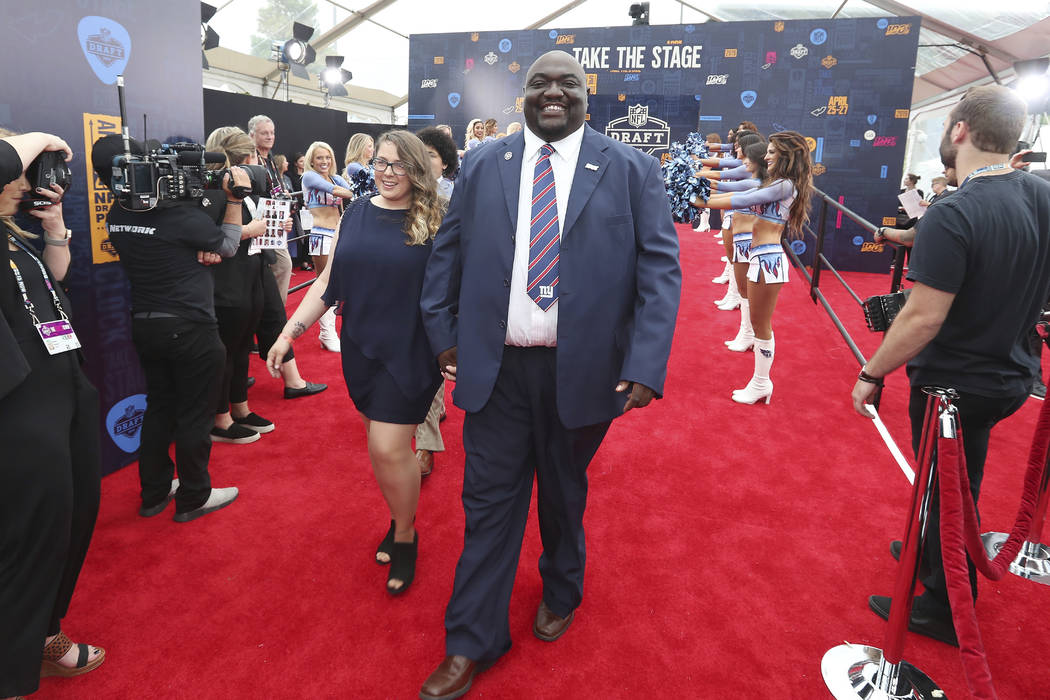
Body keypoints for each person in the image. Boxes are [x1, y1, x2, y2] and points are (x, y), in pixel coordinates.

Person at [418, 50, 681, 699]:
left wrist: (646, 362)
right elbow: (444, 262)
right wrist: (445, 338)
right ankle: (470, 639)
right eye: (540, 82)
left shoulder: (632, 170)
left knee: (564, 491)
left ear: (588, 95)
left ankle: (562, 587)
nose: (553, 92)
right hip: (497, 372)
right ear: (523, 95)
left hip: (586, 373)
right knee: (488, 504)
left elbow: (660, 272)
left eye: (568, 83)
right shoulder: (482, 166)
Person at [851, 85, 1050, 647]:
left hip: (953, 386)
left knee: (945, 489)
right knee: (955, 485)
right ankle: (928, 549)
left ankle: (942, 604)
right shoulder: (1040, 194)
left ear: (958, 130)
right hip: (1013, 374)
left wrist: (871, 372)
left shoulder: (956, 208)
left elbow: (921, 318)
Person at [267, 130, 445, 596]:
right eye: (381, 164)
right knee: (377, 445)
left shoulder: (437, 219)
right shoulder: (358, 213)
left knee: (389, 448)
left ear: (418, 169)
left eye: (399, 165)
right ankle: (399, 517)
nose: (388, 173)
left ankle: (405, 535)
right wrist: (290, 332)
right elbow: (329, 282)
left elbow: (458, 290)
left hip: (411, 352)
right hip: (361, 348)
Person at [1, 130, 105, 699]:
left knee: (73, 515)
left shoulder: (14, 233)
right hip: (18, 403)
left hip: (64, 384)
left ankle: (44, 632)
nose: (25, 180)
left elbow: (57, 278)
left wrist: (55, 229)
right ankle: (10, 670)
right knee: (27, 532)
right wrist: (42, 139)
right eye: (20, 169)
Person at [91, 133, 241, 522]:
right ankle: (194, 495)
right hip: (191, 327)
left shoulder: (117, 215)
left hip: (145, 325)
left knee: (159, 408)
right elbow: (226, 246)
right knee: (194, 414)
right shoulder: (180, 217)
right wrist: (235, 201)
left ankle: (155, 492)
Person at [696, 131, 813, 404]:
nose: (767, 156)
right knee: (757, 321)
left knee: (761, 324)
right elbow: (737, 191)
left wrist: (702, 202)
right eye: (768, 151)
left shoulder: (785, 185)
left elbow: (743, 200)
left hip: (768, 259)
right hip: (760, 256)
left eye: (772, 152)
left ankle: (761, 383)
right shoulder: (775, 182)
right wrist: (703, 189)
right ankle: (760, 381)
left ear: (786, 155)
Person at [203, 128, 276, 443]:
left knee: (243, 347)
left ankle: (240, 409)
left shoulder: (246, 189)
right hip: (225, 283)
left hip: (250, 275)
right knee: (227, 351)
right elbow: (210, 238)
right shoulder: (215, 191)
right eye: (251, 155)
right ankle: (220, 418)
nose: (255, 161)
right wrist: (249, 229)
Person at [413, 126, 460, 476]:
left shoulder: (456, 199)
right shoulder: (401, 195)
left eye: (432, 154)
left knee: (434, 360)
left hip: (441, 297)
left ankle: (426, 445)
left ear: (445, 163)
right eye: (420, 152)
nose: (424, 159)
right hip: (407, 295)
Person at [301, 140, 353, 351]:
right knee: (325, 283)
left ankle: (330, 332)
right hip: (320, 234)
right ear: (311, 160)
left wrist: (346, 190)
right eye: (319, 157)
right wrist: (344, 191)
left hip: (339, 234)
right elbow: (344, 192)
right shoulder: (309, 176)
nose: (324, 161)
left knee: (340, 282)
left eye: (328, 157)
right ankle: (326, 333)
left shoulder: (336, 177)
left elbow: (351, 192)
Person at [247, 115, 294, 304]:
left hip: (274, 222)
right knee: (282, 265)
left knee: (280, 266)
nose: (269, 136)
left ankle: (274, 313)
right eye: (264, 133)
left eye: (272, 132)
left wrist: (283, 196)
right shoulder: (251, 158)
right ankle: (275, 315)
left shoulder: (271, 159)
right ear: (252, 135)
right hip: (256, 221)